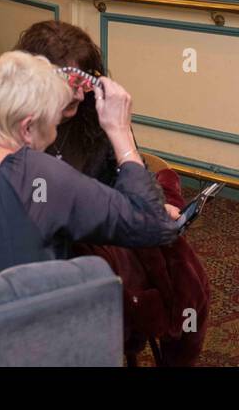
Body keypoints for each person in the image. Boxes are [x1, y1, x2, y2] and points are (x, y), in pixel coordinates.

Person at [0, 50, 180, 293]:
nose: (55, 132)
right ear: (28, 128)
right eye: (53, 120)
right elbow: (153, 226)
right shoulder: (39, 176)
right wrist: (120, 132)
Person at [17, 19, 211, 366]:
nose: (79, 93)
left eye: (86, 81)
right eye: (69, 83)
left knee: (179, 262)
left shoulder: (101, 118)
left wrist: (150, 204)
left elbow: (131, 180)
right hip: (40, 252)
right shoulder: (15, 125)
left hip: (106, 241)